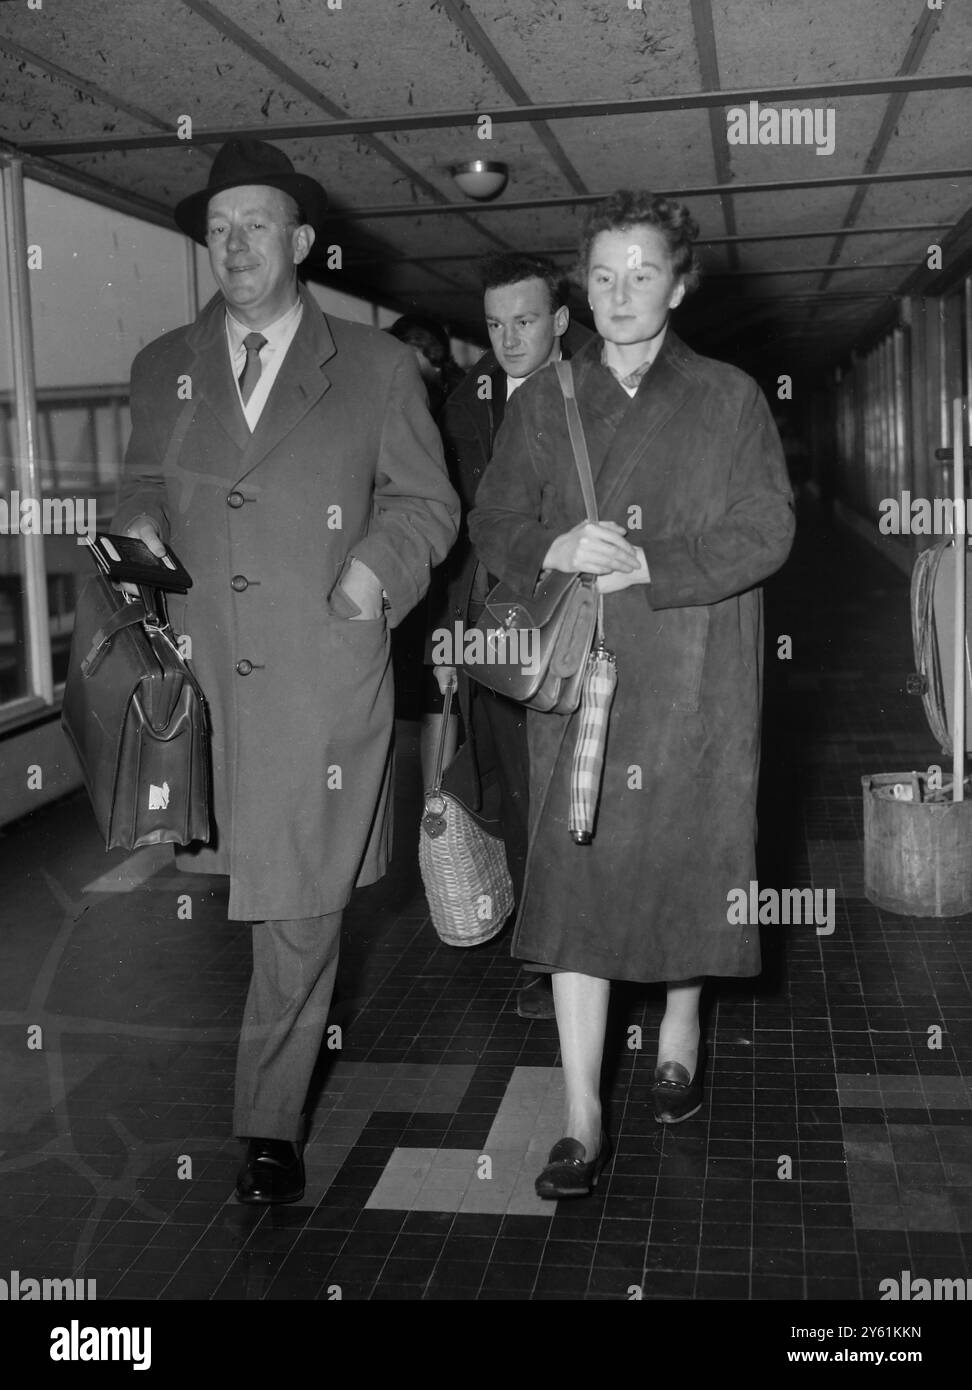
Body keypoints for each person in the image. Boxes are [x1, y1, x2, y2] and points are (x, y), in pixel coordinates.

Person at [113, 139, 459, 1205]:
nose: (234, 241)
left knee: (301, 906)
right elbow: (144, 489)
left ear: (303, 241)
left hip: (321, 679)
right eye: (219, 227)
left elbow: (427, 505)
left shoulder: (377, 366)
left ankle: (268, 1124)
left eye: (257, 223)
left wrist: (365, 581)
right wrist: (130, 533)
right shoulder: (162, 365)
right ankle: (276, 1083)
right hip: (208, 683)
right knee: (261, 904)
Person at [468, 190, 795, 1198]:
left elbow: (767, 530)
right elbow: (494, 524)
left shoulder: (730, 397)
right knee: (577, 885)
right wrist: (554, 545)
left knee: (683, 873)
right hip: (584, 687)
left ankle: (684, 1020)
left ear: (680, 282)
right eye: (601, 276)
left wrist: (649, 561)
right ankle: (580, 1115)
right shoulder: (542, 402)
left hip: (694, 681)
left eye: (642, 272)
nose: (618, 293)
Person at [435, 253, 591, 1021]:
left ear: (561, 320)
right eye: (495, 324)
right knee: (512, 786)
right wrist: (449, 639)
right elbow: (459, 526)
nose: (509, 338)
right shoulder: (469, 402)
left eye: (526, 320)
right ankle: (542, 954)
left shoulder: (606, 387)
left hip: (585, 624)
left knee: (586, 789)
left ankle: (605, 947)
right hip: (497, 633)